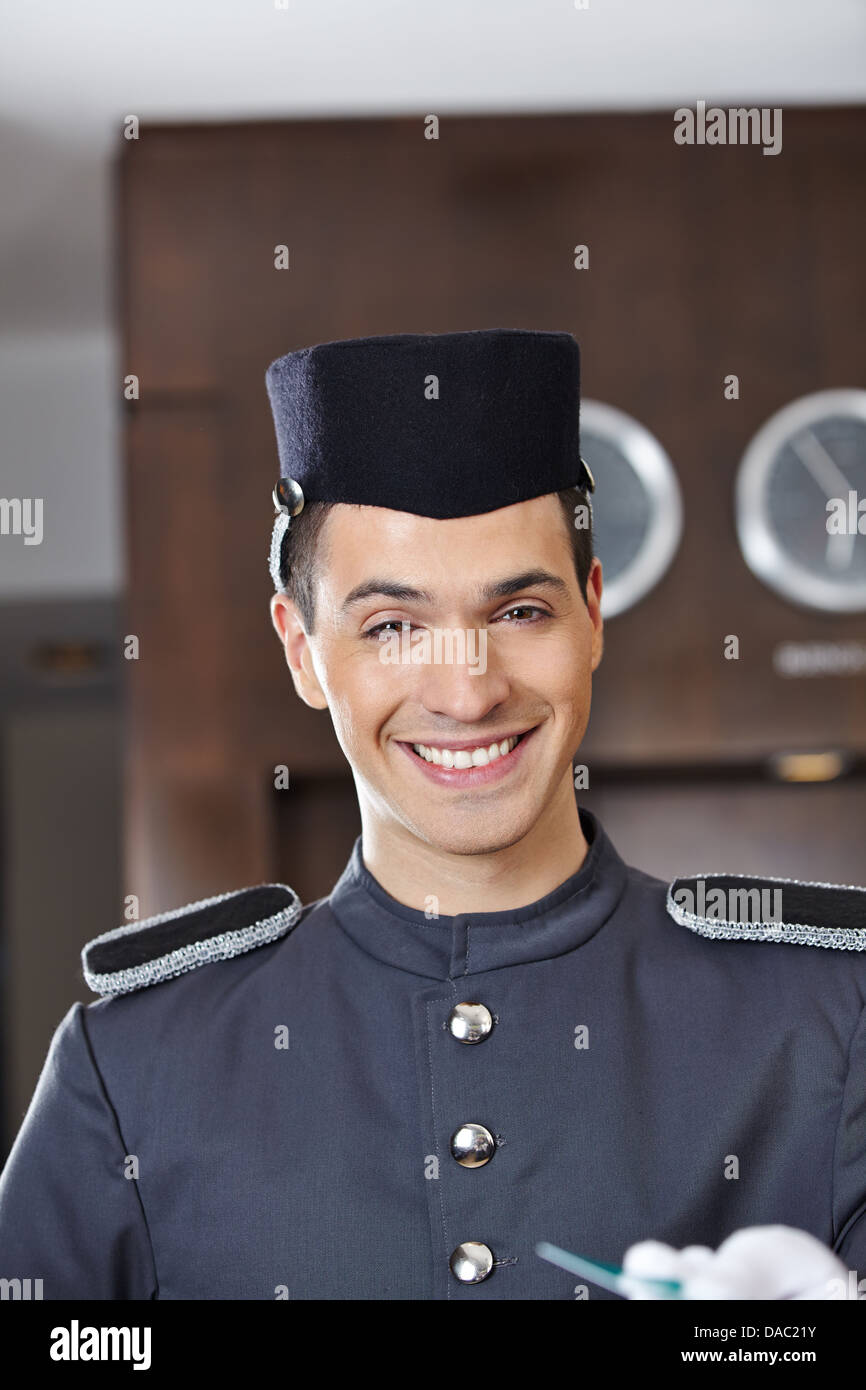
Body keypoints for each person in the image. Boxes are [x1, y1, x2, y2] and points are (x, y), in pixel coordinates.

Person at [0, 328, 864, 1301]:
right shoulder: (131, 1064)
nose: (465, 694)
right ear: (301, 650)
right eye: (391, 627)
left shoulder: (830, 1020)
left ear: (591, 614)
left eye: (518, 613)